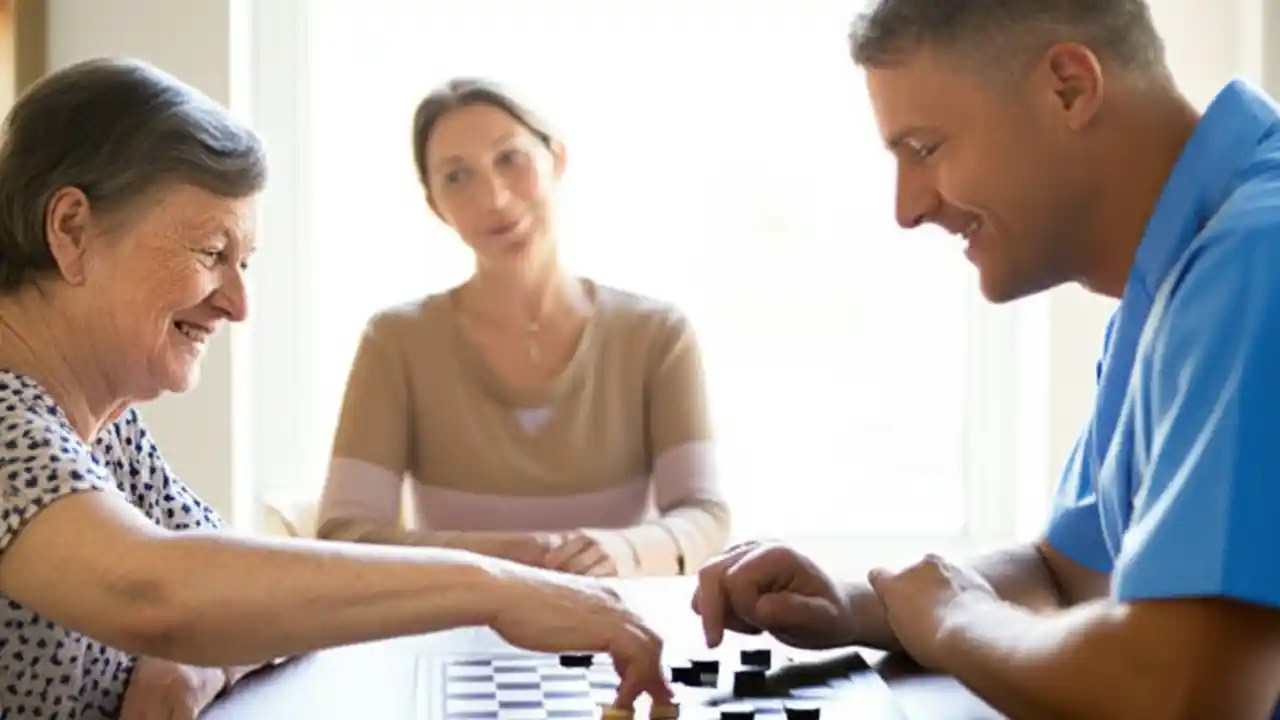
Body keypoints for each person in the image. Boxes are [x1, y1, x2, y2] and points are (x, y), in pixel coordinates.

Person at [0, 58, 671, 719]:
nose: (239, 305)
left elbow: (244, 598)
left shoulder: (103, 427)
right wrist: (496, 587)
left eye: (246, 263)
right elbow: (154, 592)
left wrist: (188, 663)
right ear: (72, 232)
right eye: (211, 253)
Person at [692, 1, 1280, 717]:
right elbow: (1067, 573)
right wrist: (865, 604)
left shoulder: (1257, 259)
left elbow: (1184, 691)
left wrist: (953, 623)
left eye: (926, 149)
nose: (907, 209)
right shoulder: (1172, 284)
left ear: (1069, 87)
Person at [315, 78, 730, 578]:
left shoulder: (657, 335)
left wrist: (621, 551)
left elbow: (704, 515)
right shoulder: (396, 341)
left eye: (509, 159)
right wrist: (502, 560)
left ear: (556, 159)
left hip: (620, 627)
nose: (493, 197)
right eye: (456, 177)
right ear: (435, 207)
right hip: (455, 633)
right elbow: (346, 533)